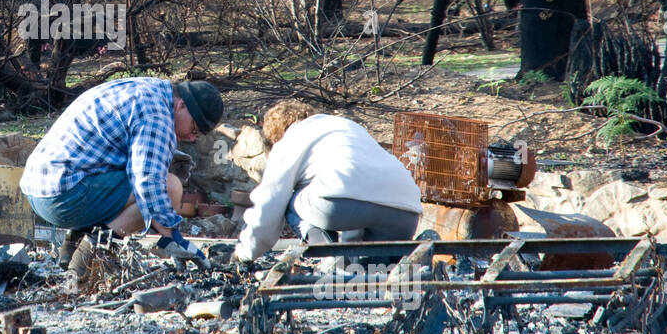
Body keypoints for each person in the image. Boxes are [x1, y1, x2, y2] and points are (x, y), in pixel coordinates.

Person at [21, 77, 224, 277]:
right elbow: (148, 182)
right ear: (181, 105)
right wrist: (174, 238)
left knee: (141, 179)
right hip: (63, 194)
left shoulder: (148, 89)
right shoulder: (158, 116)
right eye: (194, 129)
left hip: (38, 188)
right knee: (170, 187)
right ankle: (90, 257)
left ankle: (74, 243)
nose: (190, 138)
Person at [234, 99, 423, 263]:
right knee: (371, 271)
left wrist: (246, 252)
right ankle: (375, 265)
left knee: (289, 201)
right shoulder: (347, 126)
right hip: (406, 212)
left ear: (275, 136)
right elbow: (360, 187)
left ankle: (329, 254)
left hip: (341, 204)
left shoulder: (289, 139)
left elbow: (270, 200)